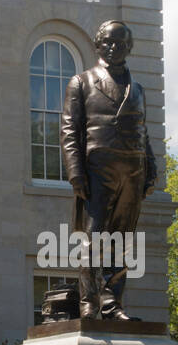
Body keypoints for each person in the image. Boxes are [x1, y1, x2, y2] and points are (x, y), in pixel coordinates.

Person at [60, 19, 157, 320]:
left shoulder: (138, 89)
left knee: (122, 239)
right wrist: (76, 172)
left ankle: (112, 304)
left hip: (132, 169)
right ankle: (89, 303)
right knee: (93, 237)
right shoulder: (82, 82)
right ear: (97, 44)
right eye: (108, 41)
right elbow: (68, 130)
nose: (114, 47)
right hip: (97, 168)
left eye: (121, 42)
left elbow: (144, 132)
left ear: (130, 47)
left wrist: (150, 169)